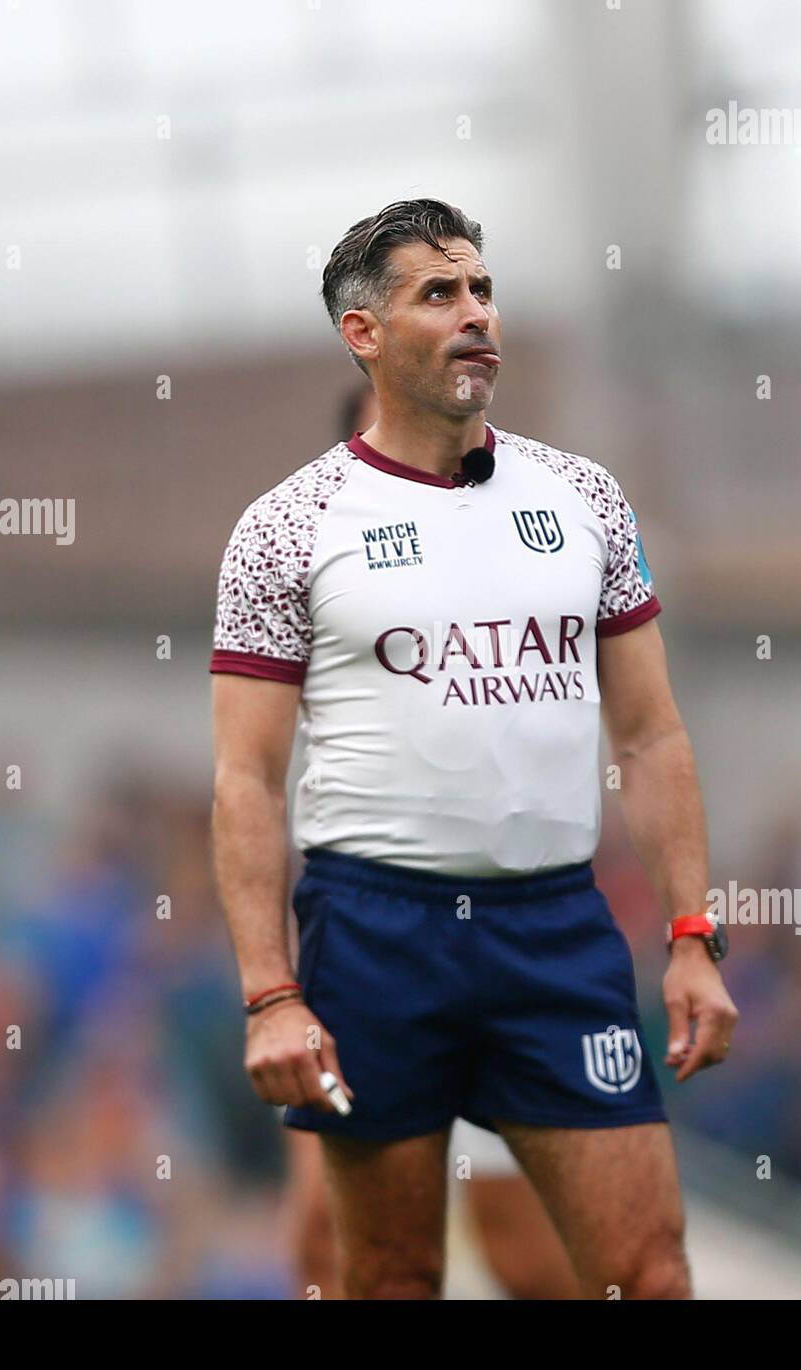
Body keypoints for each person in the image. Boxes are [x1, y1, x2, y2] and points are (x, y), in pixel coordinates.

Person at [210, 198, 738, 1299]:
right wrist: (269, 994)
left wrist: (692, 934)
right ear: (362, 334)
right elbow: (246, 781)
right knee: (388, 1275)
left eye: (483, 289)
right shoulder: (285, 527)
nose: (474, 315)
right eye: (438, 294)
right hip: (374, 934)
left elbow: (647, 735)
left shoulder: (583, 496)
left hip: (553, 932)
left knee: (647, 1273)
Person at [281, 380, 579, 1299]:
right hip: (363, 947)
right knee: (326, 1234)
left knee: (527, 1249)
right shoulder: (309, 566)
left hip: (499, 944)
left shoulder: (518, 568)